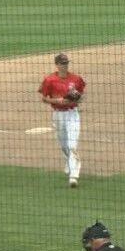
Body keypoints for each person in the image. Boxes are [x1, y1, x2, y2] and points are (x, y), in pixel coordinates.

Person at [38, 53, 86, 188]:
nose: (65, 65)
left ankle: (73, 176)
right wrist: (58, 101)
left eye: (66, 63)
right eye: (63, 63)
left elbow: (82, 96)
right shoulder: (49, 80)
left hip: (72, 115)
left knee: (72, 145)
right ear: (57, 65)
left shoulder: (76, 79)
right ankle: (68, 162)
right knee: (64, 145)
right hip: (58, 115)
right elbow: (44, 98)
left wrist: (77, 99)